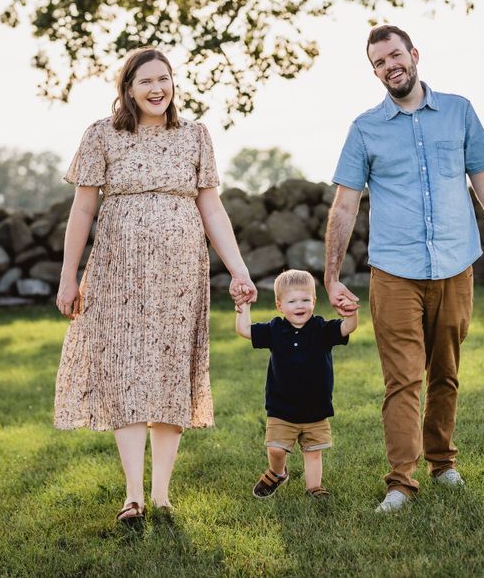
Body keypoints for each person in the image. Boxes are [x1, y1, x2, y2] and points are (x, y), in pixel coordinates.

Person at [324, 25, 484, 513]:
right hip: (394, 272)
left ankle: (442, 463)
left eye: (395, 55)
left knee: (446, 373)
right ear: (374, 70)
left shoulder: (459, 111)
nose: (389, 66)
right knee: (402, 380)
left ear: (414, 54)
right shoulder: (364, 128)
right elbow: (344, 206)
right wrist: (331, 276)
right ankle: (400, 482)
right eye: (379, 62)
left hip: (454, 267)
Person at [54, 46, 257, 524]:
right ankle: (132, 496)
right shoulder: (101, 136)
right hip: (116, 272)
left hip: (180, 273)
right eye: (145, 81)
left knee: (168, 375)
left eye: (163, 79)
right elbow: (82, 209)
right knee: (125, 372)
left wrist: (239, 268)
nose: (156, 89)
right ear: (127, 89)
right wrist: (69, 275)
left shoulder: (195, 136)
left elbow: (211, 208)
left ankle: (162, 495)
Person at [234, 269, 358, 499]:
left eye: (305, 300)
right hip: (281, 408)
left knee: (313, 452)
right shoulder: (274, 330)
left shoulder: (321, 328)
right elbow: (244, 330)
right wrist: (245, 307)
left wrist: (350, 312)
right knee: (276, 448)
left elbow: (346, 328)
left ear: (314, 301)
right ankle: (278, 472)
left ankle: (314, 488)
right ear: (280, 305)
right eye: (292, 301)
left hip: (316, 409)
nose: (299, 305)